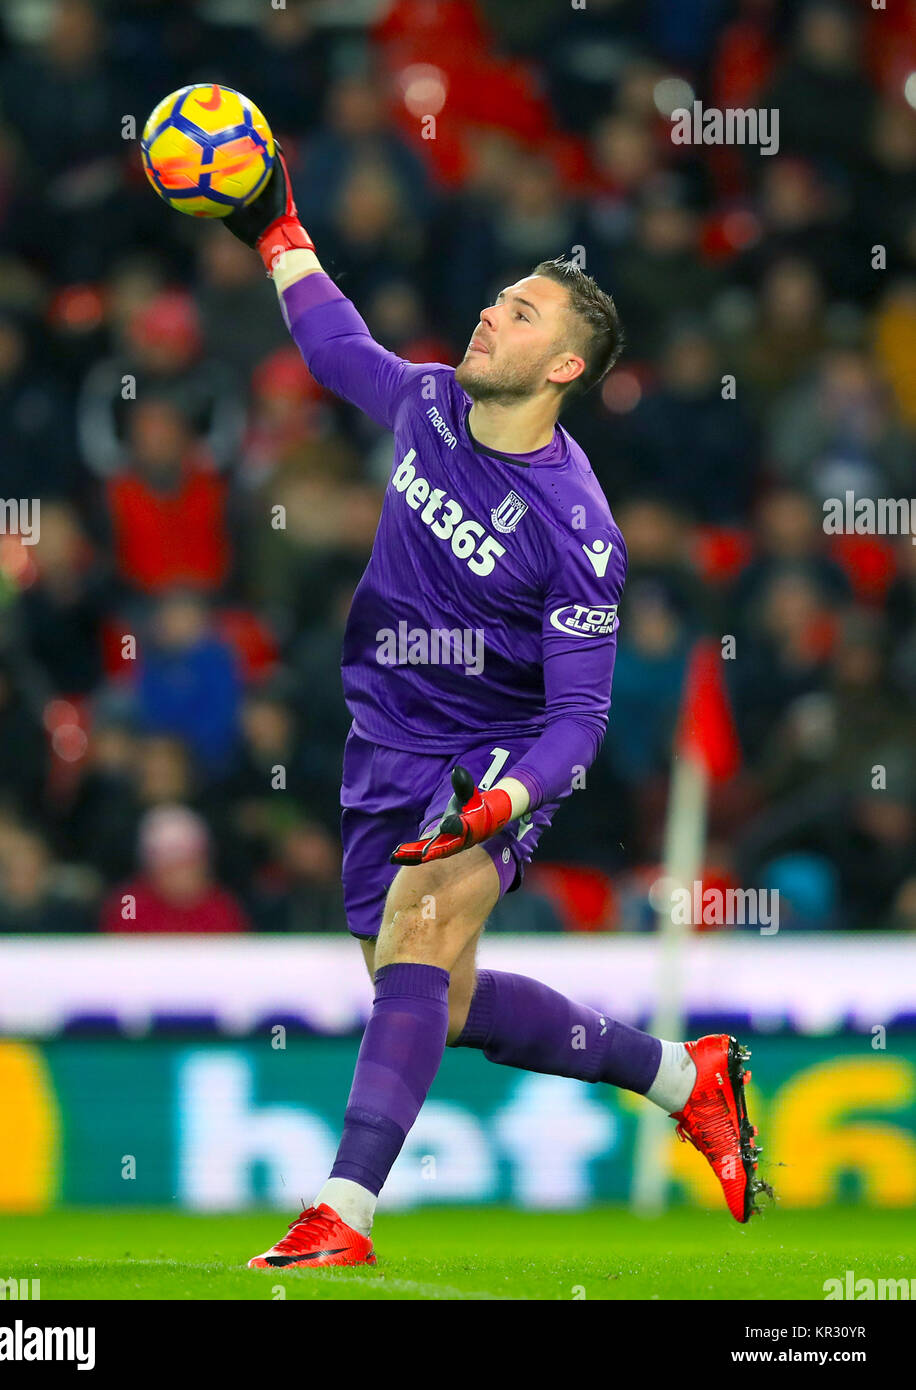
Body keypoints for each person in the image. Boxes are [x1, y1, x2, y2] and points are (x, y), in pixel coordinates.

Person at [223, 149, 767, 1269]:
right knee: (430, 993)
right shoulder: (427, 403)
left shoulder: (579, 535)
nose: (487, 312)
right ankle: (683, 1074)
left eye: (518, 311)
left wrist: (500, 804)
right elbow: (338, 351)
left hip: (489, 758)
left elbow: (579, 723)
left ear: (563, 363)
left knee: (420, 931)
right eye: (495, 296)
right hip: (383, 740)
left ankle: (346, 1210)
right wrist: (279, 228)